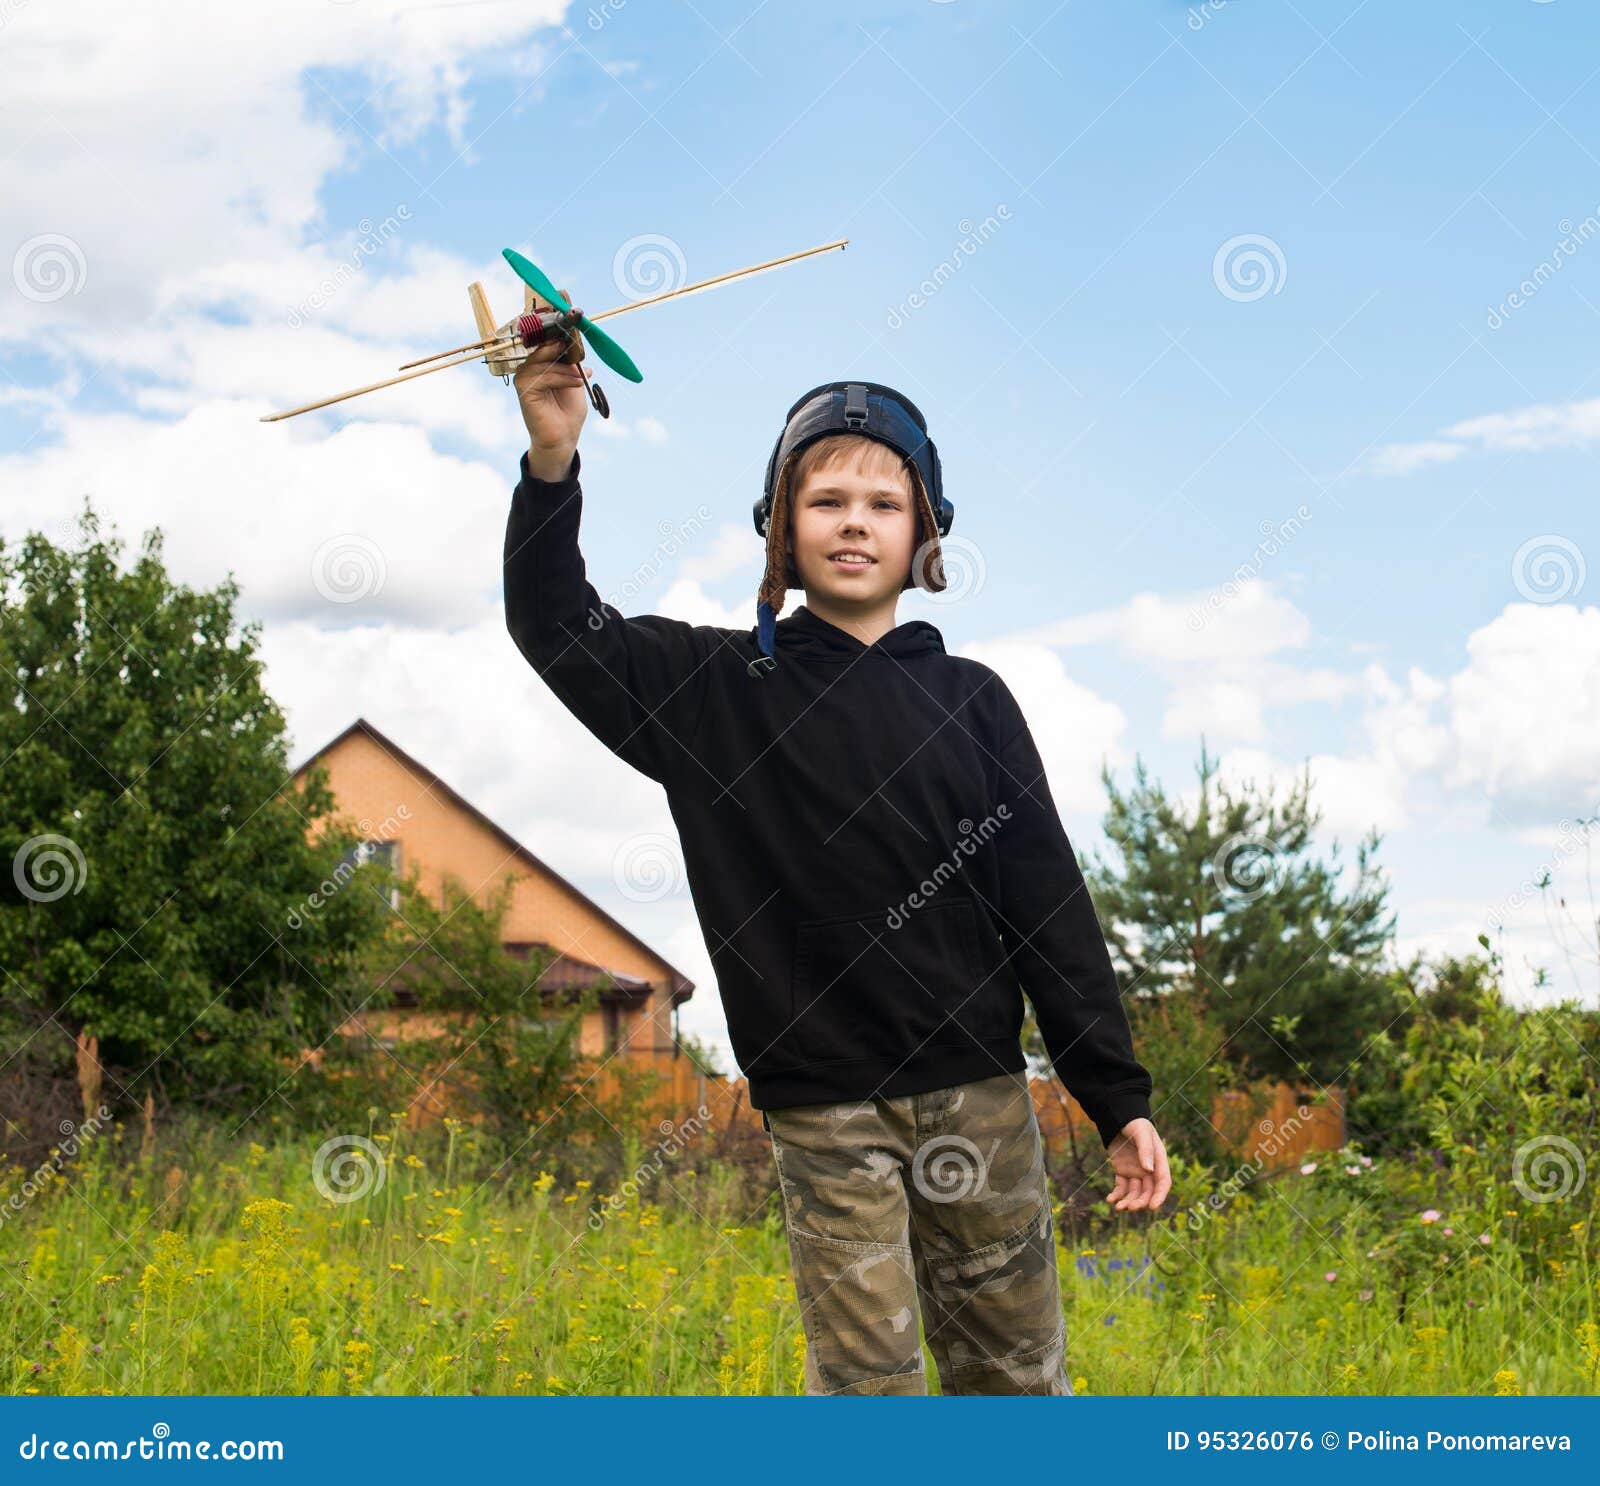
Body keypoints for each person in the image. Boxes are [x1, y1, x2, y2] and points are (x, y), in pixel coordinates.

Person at [503, 335, 1170, 1397]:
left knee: (1015, 1383)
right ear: (778, 529)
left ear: (925, 537)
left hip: (980, 1101)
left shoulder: (975, 704)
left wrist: (1114, 1094)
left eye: (882, 502)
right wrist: (552, 458)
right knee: (867, 1389)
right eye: (823, 500)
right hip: (825, 1111)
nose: (853, 520)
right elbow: (556, 628)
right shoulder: (715, 692)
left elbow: (1049, 908)